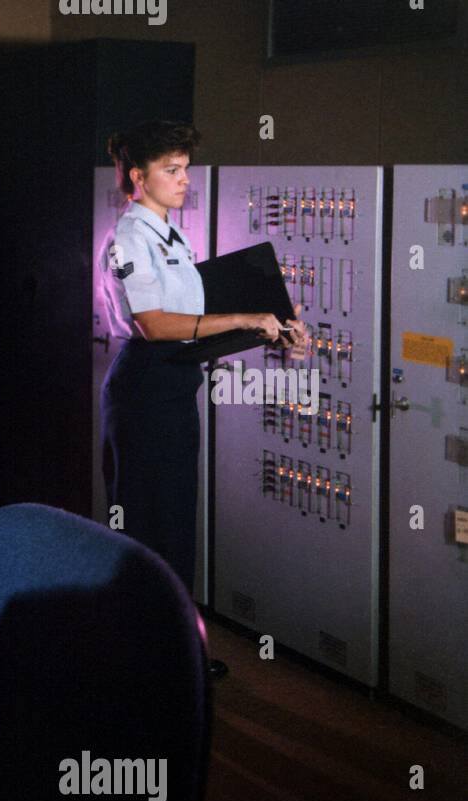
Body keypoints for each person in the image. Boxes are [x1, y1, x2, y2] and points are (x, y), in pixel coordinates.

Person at [100, 120, 308, 678]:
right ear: (138, 178)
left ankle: (174, 656)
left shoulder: (172, 236)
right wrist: (245, 317)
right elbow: (155, 325)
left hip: (173, 387)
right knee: (147, 526)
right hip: (144, 389)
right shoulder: (129, 239)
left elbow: (197, 322)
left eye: (186, 168)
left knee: (174, 527)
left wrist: (274, 327)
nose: (184, 179)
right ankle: (142, 665)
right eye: (172, 170)